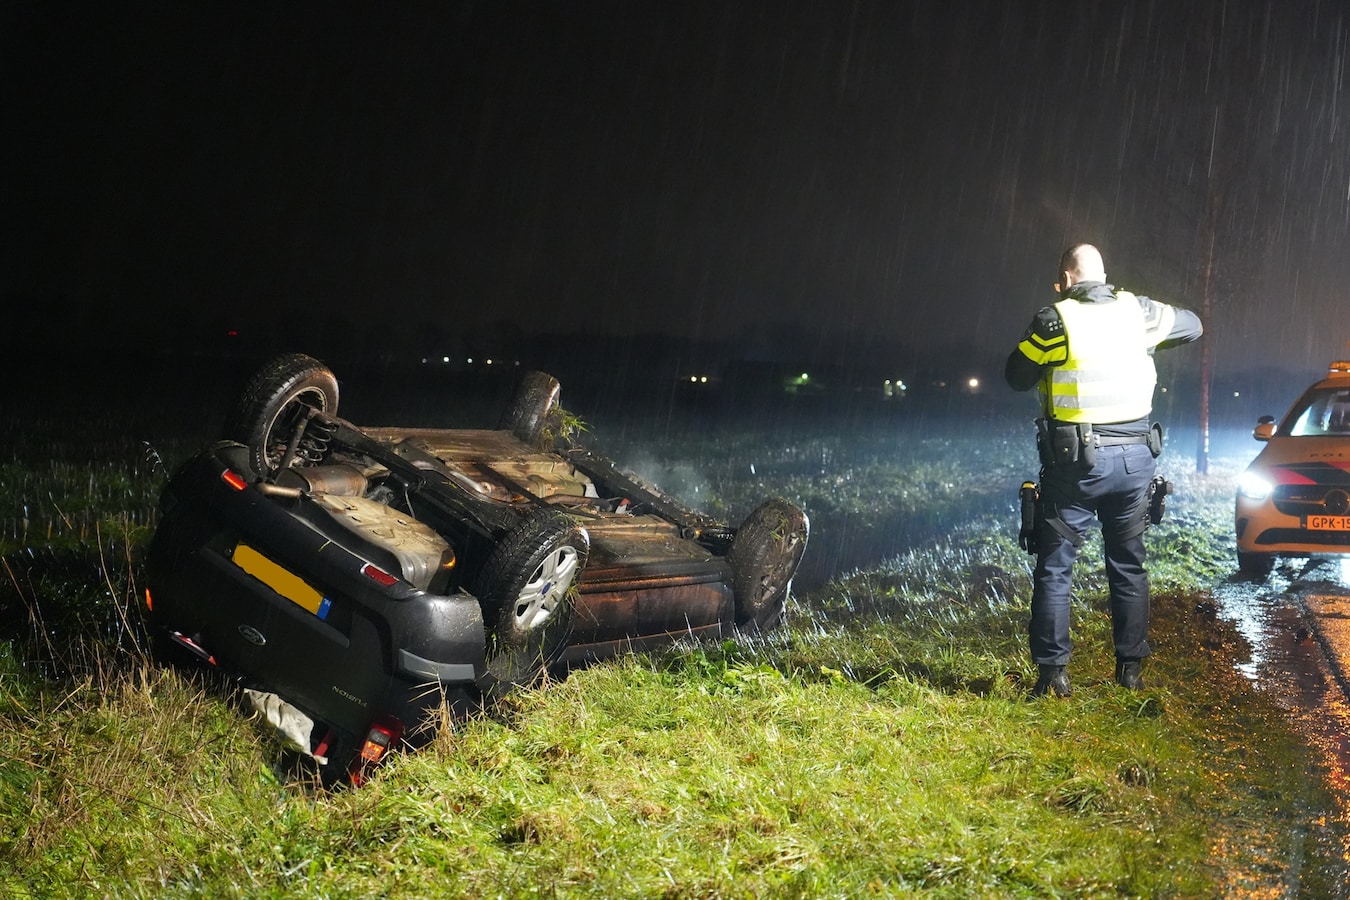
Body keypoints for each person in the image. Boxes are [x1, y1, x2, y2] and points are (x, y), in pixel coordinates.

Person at [1005, 243, 1202, 697]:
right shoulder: (1140, 313)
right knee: (1129, 564)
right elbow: (1192, 326)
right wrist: (1146, 333)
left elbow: (1016, 376)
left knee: (1056, 567)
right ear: (1102, 275)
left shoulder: (1056, 321)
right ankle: (1130, 670)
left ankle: (1054, 676)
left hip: (1076, 464)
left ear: (1068, 281)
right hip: (1135, 462)